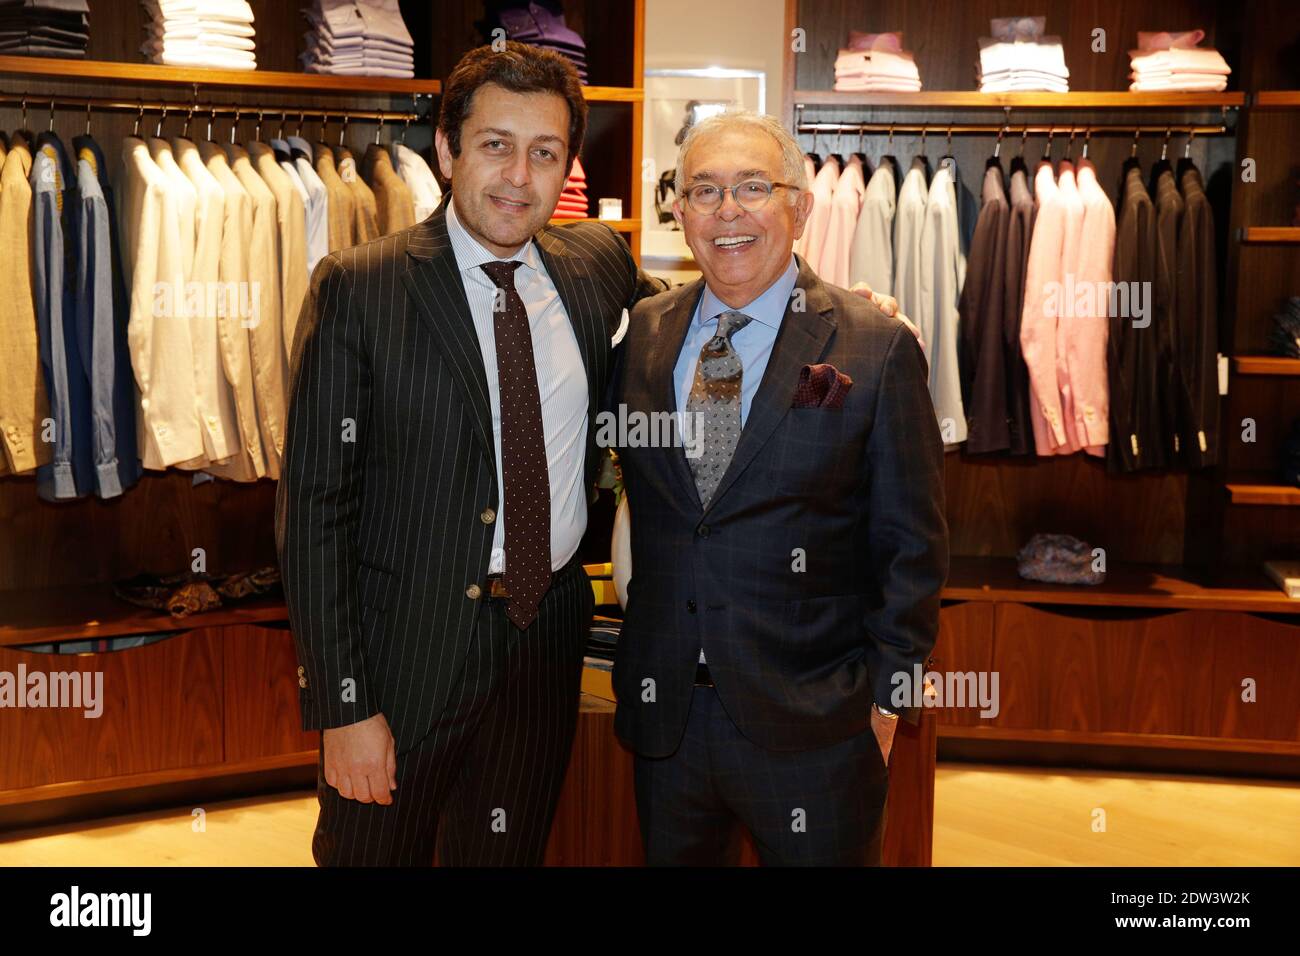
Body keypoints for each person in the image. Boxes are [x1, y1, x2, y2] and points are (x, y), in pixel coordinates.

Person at [275, 41, 663, 866]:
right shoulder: (361, 286)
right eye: (496, 145)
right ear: (447, 149)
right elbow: (313, 513)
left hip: (543, 640)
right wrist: (344, 708)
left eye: (545, 153)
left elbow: (696, 321)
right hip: (401, 656)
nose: (519, 176)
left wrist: (821, 302)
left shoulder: (597, 266)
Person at [611, 109, 949, 865]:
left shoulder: (876, 343)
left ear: (800, 204)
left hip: (817, 727)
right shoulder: (642, 332)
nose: (726, 211)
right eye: (703, 190)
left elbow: (912, 545)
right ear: (679, 209)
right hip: (669, 721)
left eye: (752, 187)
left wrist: (891, 699)